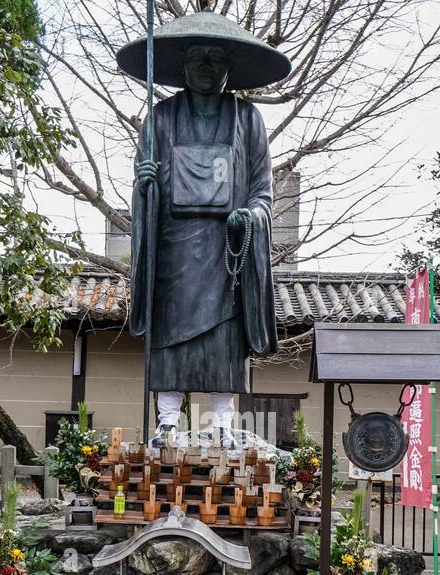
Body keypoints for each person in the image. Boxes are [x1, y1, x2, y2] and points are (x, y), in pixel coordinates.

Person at [119, 12, 292, 449]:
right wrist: (145, 187)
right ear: (182, 64)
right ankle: (167, 418)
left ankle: (222, 419)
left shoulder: (248, 119)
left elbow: (262, 193)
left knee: (223, 336)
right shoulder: (160, 118)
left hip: (225, 253)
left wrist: (249, 217)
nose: (207, 66)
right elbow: (146, 186)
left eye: (217, 57)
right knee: (171, 333)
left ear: (230, 66)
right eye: (198, 57)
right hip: (173, 252)